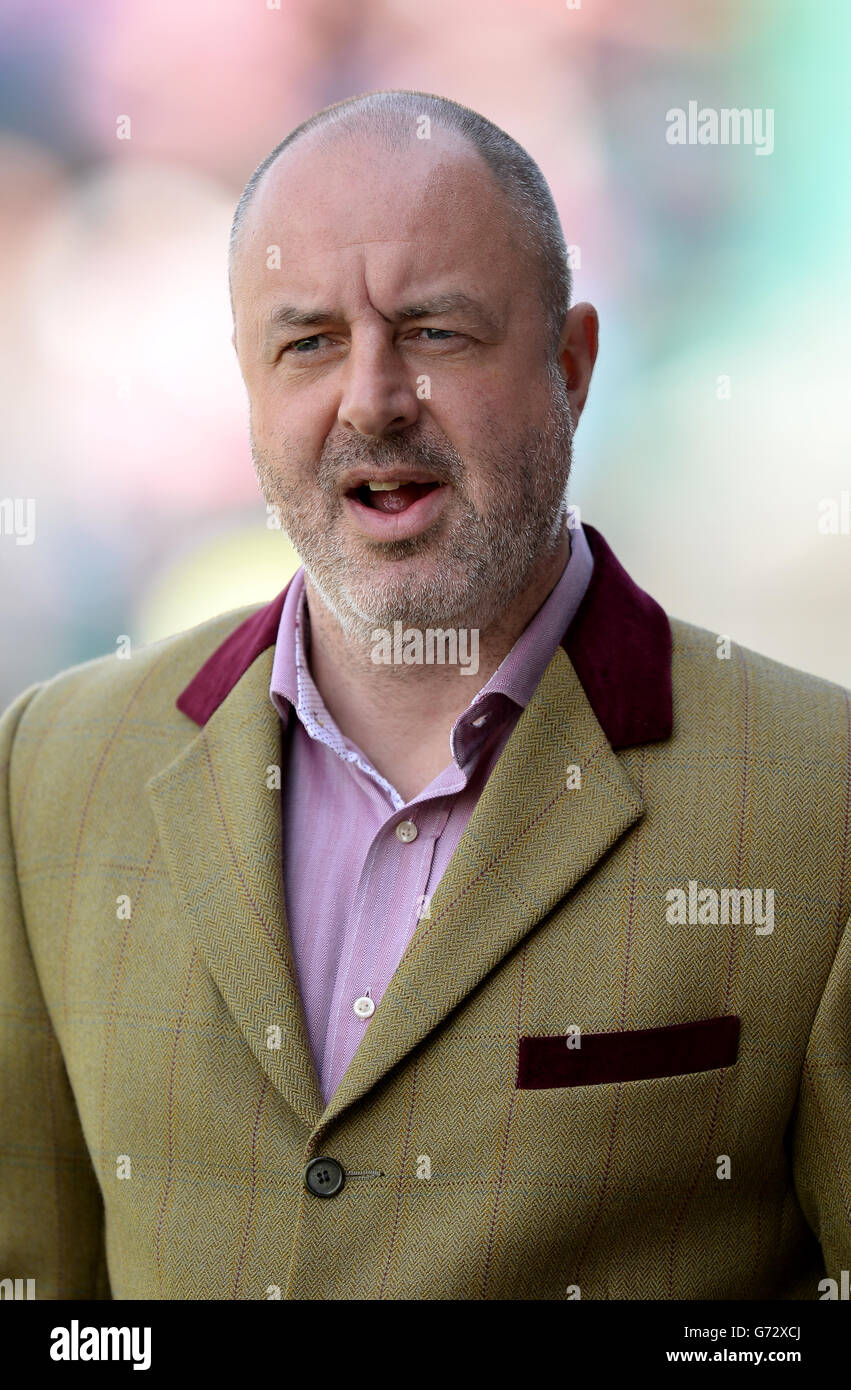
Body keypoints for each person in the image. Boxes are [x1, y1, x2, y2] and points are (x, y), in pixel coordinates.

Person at [1, 90, 848, 1301]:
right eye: (305, 343)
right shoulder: (49, 768)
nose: (370, 398)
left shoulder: (822, 804)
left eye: (435, 331)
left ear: (573, 362)